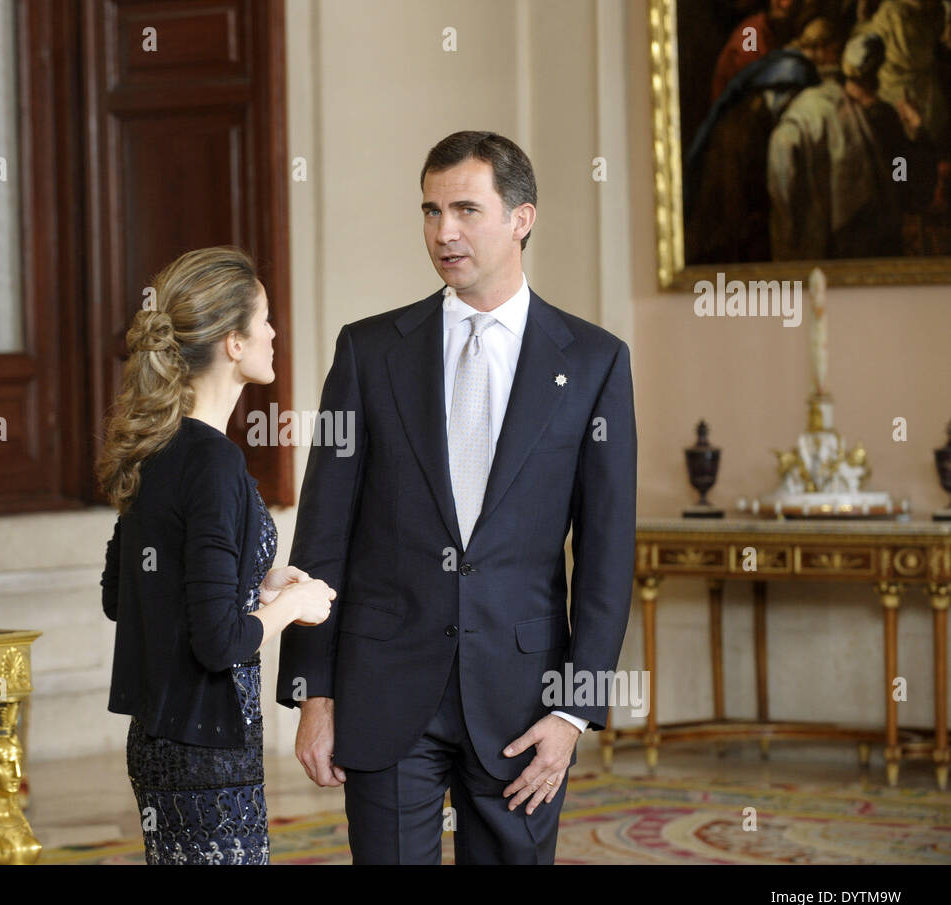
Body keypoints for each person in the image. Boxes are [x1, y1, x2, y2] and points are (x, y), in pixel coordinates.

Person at [277, 132, 637, 865]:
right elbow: (323, 535)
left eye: (466, 210)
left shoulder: (595, 362)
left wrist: (574, 710)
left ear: (522, 218)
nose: (444, 232)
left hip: (524, 704)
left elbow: (606, 555)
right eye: (431, 211)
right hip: (381, 693)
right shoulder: (368, 351)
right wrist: (314, 690)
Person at [98, 246, 335, 865]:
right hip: (208, 752)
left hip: (158, 740)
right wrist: (294, 605)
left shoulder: (156, 446)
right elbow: (219, 645)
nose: (275, 333)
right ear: (233, 342)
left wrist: (253, 584)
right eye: (264, 320)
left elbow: (122, 595)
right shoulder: (214, 461)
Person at [767, 31, 938, 258]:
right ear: (878, 71)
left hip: (824, 243)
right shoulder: (884, 120)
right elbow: (903, 183)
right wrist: (917, 128)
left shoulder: (817, 106)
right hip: (872, 245)